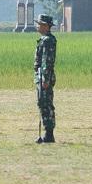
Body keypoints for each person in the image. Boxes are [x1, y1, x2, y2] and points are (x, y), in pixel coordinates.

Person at [34, 14, 57, 144]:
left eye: (40, 24)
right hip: (41, 75)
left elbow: (46, 62)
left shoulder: (48, 40)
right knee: (42, 103)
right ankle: (47, 132)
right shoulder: (44, 39)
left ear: (46, 26)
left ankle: (49, 134)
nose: (38, 26)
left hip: (44, 76)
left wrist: (45, 79)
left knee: (46, 104)